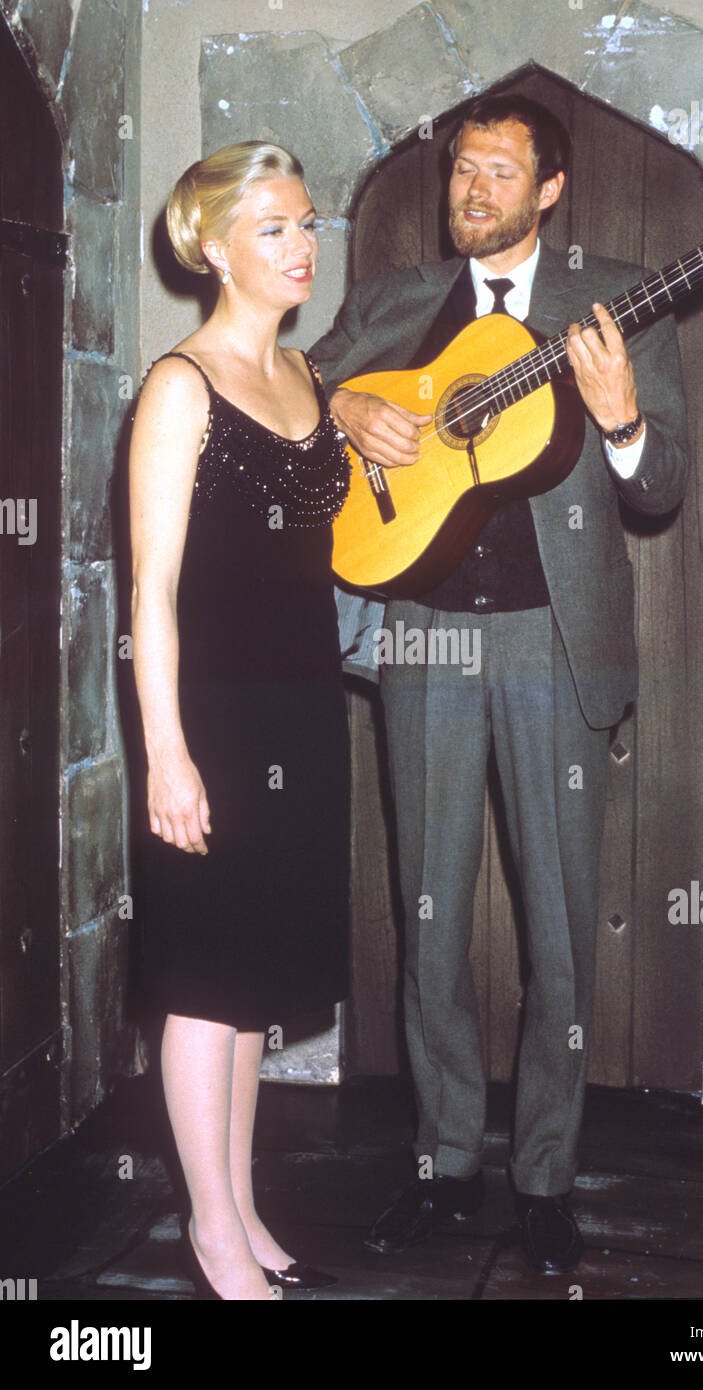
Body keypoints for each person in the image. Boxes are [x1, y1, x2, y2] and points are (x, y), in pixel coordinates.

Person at [311, 94, 689, 1274]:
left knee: (563, 932)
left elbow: (661, 482)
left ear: (552, 189)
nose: (471, 190)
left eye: (498, 172)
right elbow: (273, 406)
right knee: (428, 920)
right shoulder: (388, 306)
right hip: (422, 636)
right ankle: (441, 1160)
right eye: (460, 170)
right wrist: (342, 405)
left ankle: (545, 1176)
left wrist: (624, 422)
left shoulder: (612, 300)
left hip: (549, 648)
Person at [130, 142, 350, 1300]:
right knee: (206, 981)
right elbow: (150, 590)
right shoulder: (180, 385)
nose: (301, 244)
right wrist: (166, 750)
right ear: (215, 246)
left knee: (258, 981)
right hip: (210, 716)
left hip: (302, 713)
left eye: (306, 222)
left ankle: (244, 1203)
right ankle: (212, 1236)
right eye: (273, 227)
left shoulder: (308, 377)